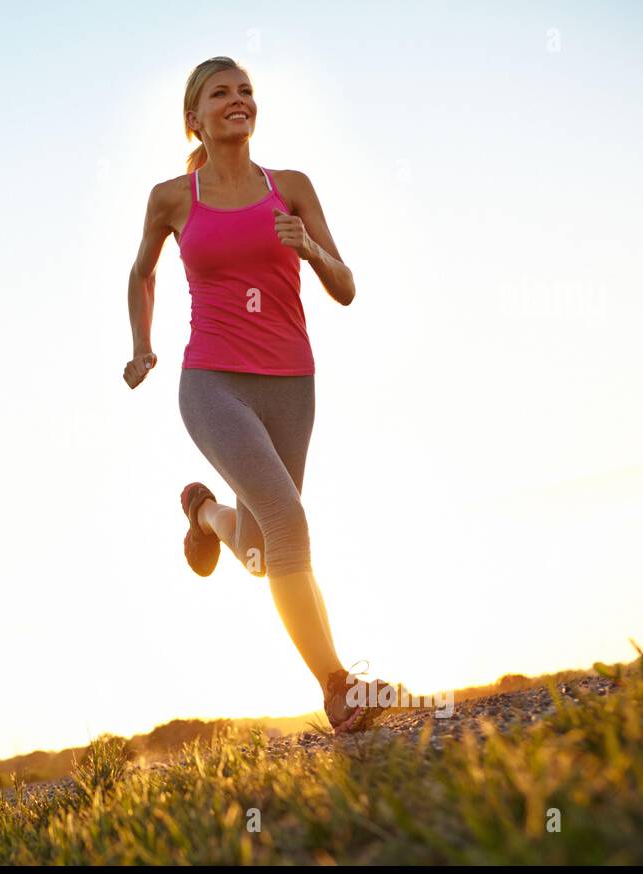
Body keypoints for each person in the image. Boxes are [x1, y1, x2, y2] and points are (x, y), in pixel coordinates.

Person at [122, 56, 400, 734]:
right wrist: (142, 345)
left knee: (256, 552)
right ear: (196, 118)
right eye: (221, 93)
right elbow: (143, 274)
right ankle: (339, 688)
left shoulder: (292, 187)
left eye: (246, 90)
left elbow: (346, 285)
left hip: (291, 385)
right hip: (212, 382)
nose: (237, 99)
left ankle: (204, 514)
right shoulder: (172, 197)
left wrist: (309, 247)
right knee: (288, 524)